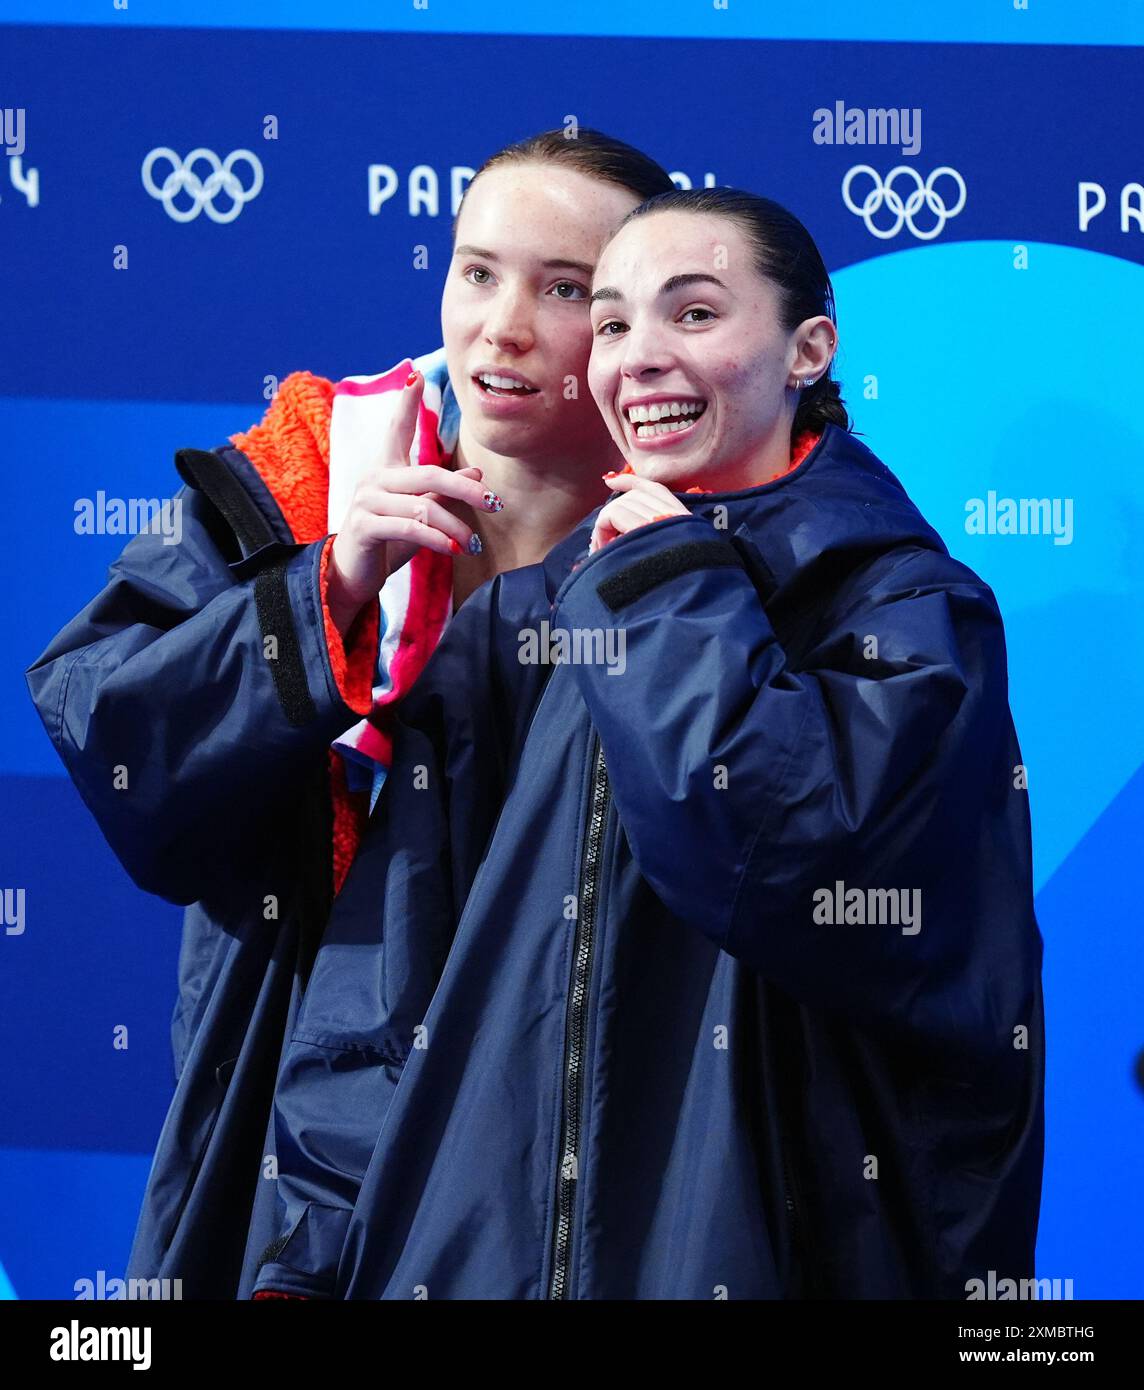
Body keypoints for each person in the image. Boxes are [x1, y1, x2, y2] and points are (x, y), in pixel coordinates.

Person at [251, 187, 1045, 1300]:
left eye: (696, 313)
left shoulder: (912, 614)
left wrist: (669, 586)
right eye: (616, 323)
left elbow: (788, 861)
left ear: (809, 347)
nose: (640, 359)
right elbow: (383, 982)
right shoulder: (519, 624)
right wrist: (310, 1253)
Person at [23, 128, 677, 1299]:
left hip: (587, 1149)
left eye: (564, 289)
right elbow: (105, 723)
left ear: (632, 323)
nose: (501, 325)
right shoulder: (305, 470)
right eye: (476, 271)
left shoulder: (714, 544)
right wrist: (319, 591)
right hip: (283, 1145)